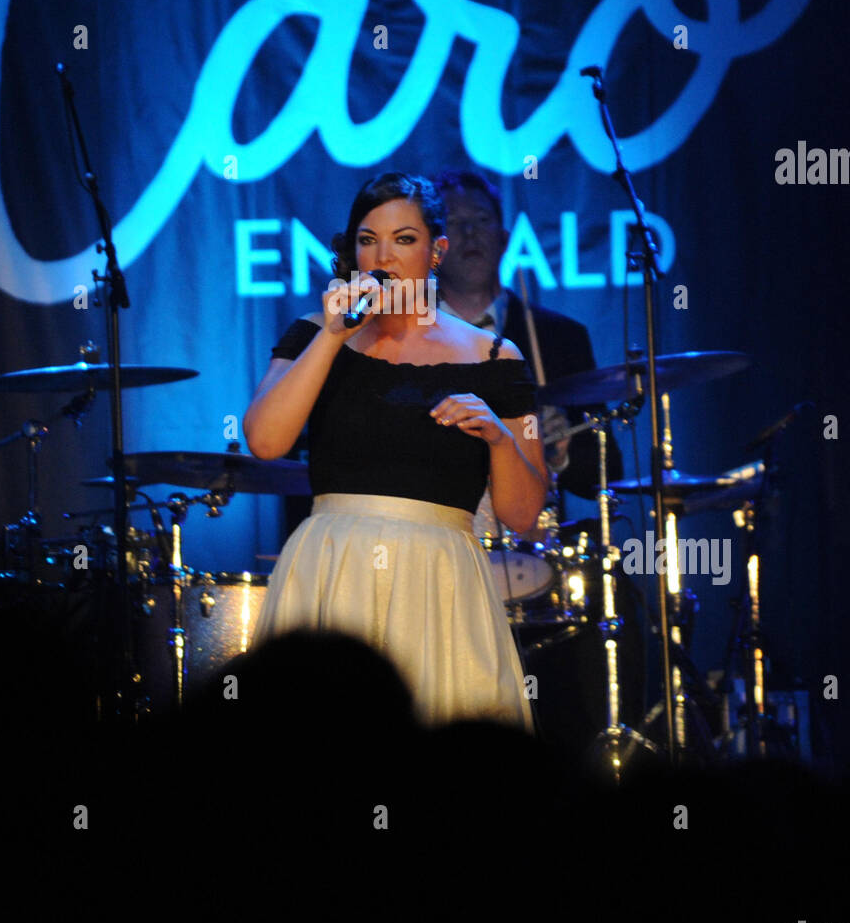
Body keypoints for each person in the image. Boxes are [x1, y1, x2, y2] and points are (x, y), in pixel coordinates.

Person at [243, 172, 546, 731]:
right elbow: (264, 441)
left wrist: (499, 438)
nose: (383, 255)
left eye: (404, 239)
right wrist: (334, 335)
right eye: (367, 239)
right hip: (332, 566)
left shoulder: (496, 357)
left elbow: (523, 514)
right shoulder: (314, 333)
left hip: (441, 579)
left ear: (437, 250)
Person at [432, 169, 622, 499]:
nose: (470, 233)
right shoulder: (404, 335)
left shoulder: (560, 337)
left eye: (481, 219)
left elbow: (606, 473)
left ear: (504, 239)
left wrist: (561, 451)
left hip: (531, 540)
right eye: (453, 222)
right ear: (434, 247)